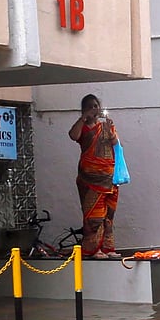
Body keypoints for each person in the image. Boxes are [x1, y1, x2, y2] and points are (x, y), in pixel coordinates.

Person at [68, 94, 122, 259]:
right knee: (94, 216)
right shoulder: (82, 127)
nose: (94, 109)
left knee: (108, 216)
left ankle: (108, 248)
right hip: (90, 179)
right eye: (90, 106)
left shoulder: (105, 126)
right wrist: (83, 118)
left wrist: (111, 129)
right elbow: (73, 136)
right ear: (84, 109)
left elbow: (115, 143)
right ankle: (93, 249)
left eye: (96, 106)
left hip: (109, 178)